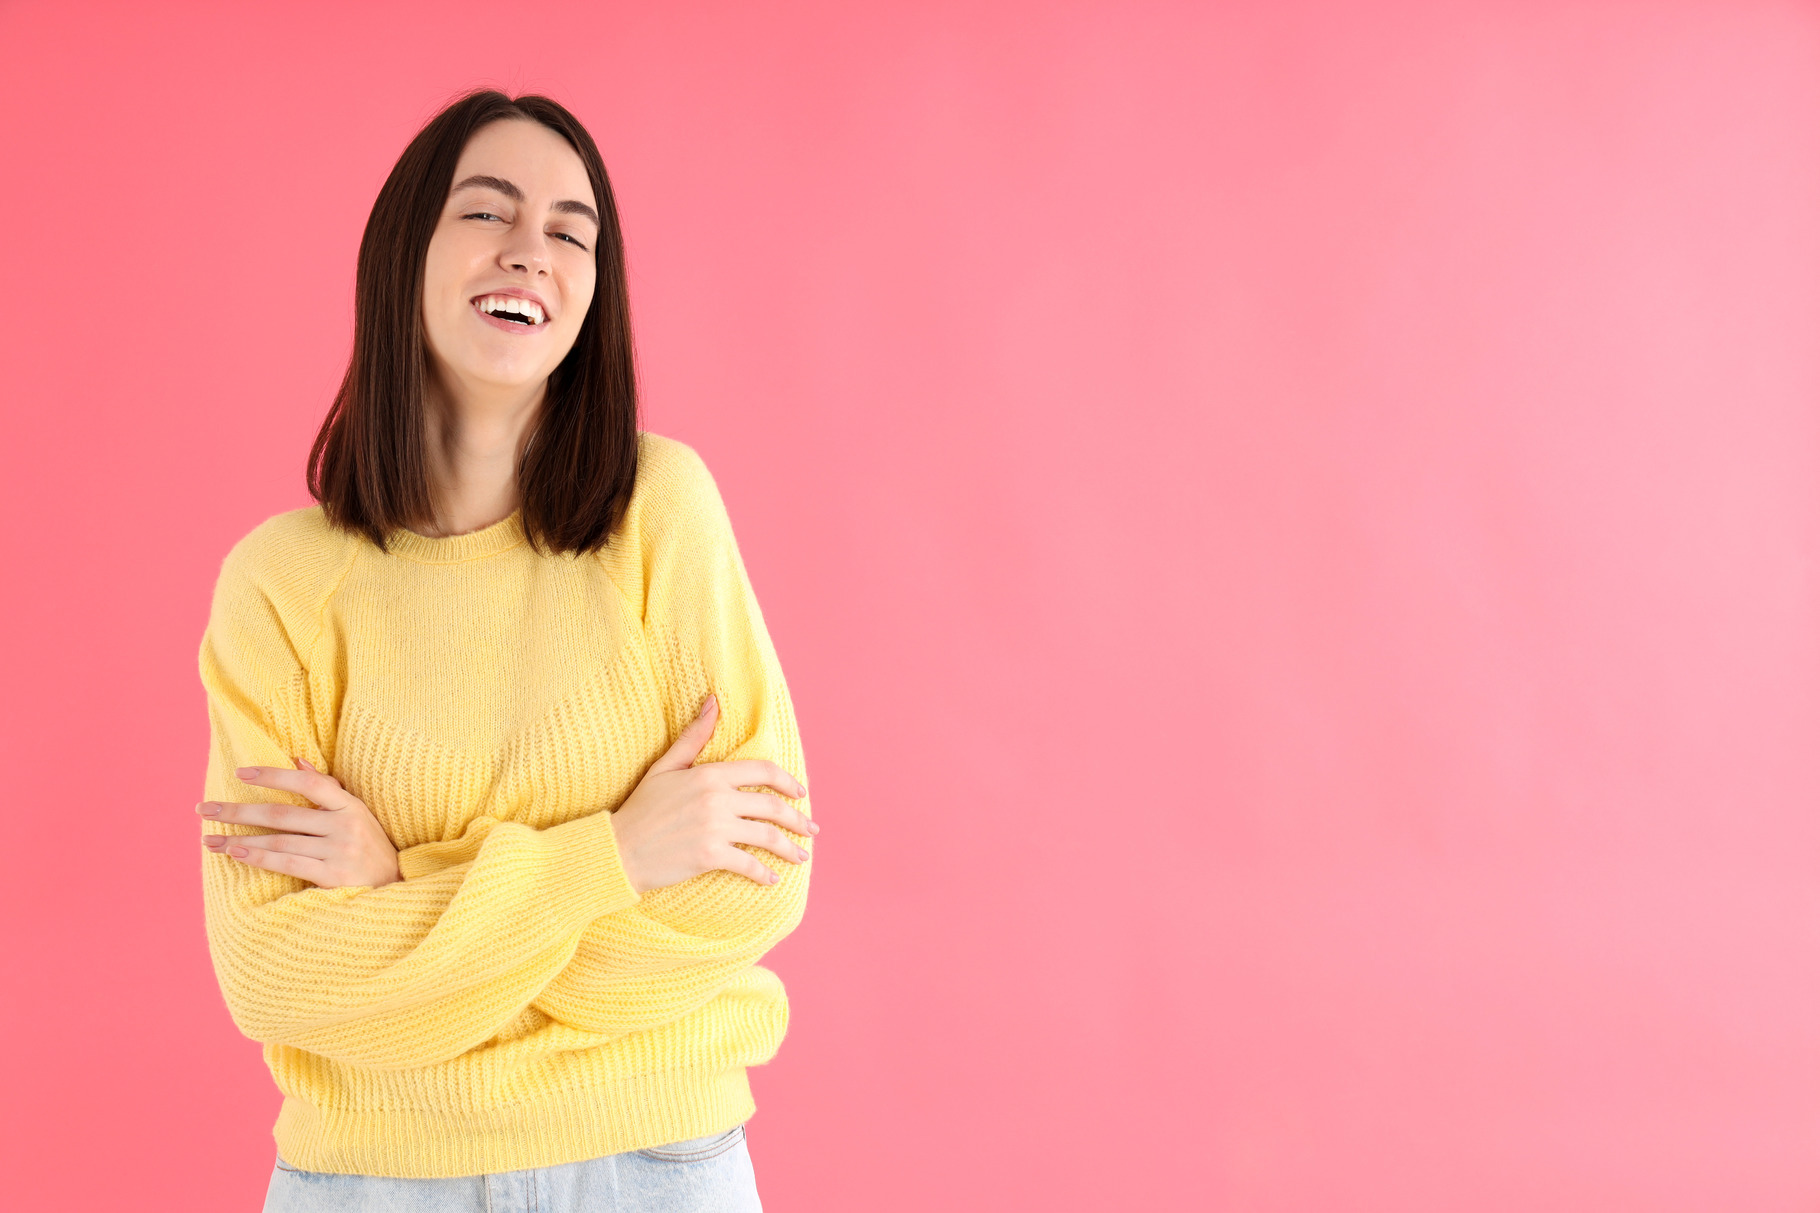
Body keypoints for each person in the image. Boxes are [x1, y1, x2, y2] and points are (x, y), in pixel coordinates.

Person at [193, 89, 816, 1213]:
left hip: (651, 1164)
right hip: (368, 1179)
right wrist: (614, 858)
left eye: (571, 232)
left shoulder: (660, 514)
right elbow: (272, 972)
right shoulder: (279, 588)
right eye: (489, 213)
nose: (532, 252)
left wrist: (401, 888)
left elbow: (750, 892)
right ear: (406, 253)